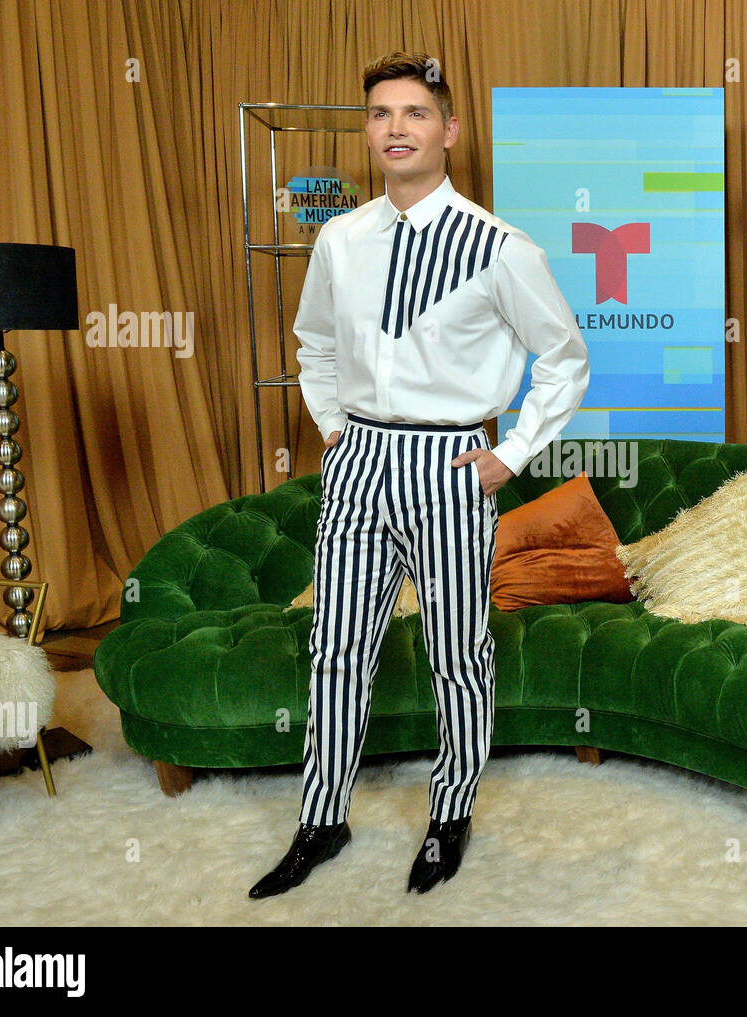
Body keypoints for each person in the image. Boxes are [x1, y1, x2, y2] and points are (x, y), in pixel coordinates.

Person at [248, 51, 589, 899]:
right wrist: (334, 428)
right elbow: (315, 344)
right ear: (367, 129)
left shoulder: (500, 248)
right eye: (380, 114)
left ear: (449, 130)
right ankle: (322, 819)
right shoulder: (341, 238)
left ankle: (449, 816)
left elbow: (565, 358)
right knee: (336, 648)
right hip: (359, 457)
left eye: (414, 113)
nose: (396, 128)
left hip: (451, 463)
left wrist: (510, 456)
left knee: (458, 653)